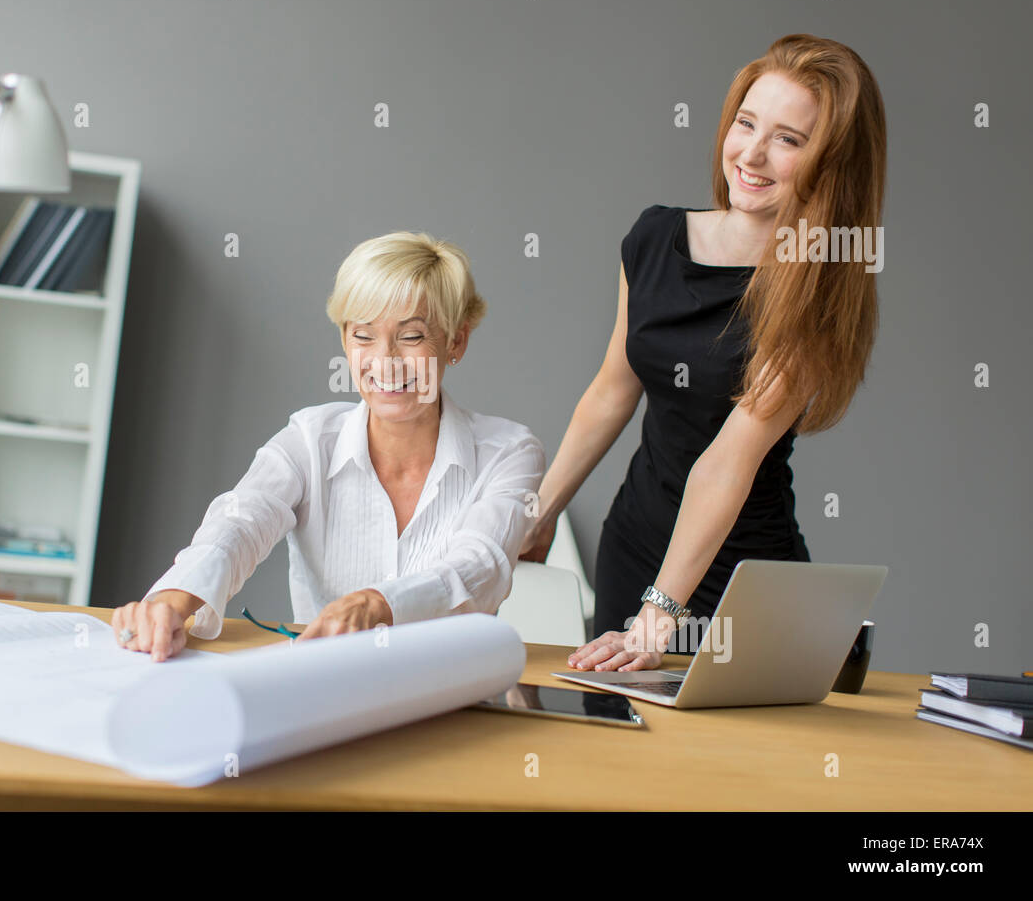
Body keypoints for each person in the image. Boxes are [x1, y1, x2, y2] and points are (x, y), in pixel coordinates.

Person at [519, 33, 887, 673]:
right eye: (746, 123)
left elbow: (729, 460)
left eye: (788, 140)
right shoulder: (656, 237)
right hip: (635, 545)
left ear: (830, 165)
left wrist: (662, 611)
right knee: (614, 756)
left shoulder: (817, 288)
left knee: (718, 771)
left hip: (743, 582)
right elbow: (613, 388)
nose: (752, 152)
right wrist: (538, 513)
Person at [116, 232, 546, 660]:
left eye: (412, 336)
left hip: (453, 697)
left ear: (455, 341)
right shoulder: (309, 439)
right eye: (364, 336)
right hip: (328, 690)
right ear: (344, 341)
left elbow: (479, 569)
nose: (386, 361)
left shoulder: (508, 452)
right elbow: (240, 520)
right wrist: (173, 599)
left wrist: (377, 604)